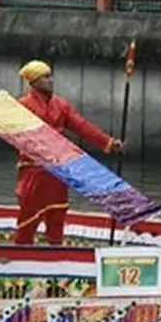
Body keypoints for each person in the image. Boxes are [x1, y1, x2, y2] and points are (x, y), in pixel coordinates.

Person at [14, 61, 124, 245]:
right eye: (45, 77)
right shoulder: (23, 105)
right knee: (28, 219)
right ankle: (19, 257)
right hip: (34, 171)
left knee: (57, 216)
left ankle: (56, 258)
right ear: (33, 82)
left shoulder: (60, 105)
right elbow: (3, 125)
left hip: (58, 171)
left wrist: (109, 142)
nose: (50, 81)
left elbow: (82, 127)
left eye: (50, 76)